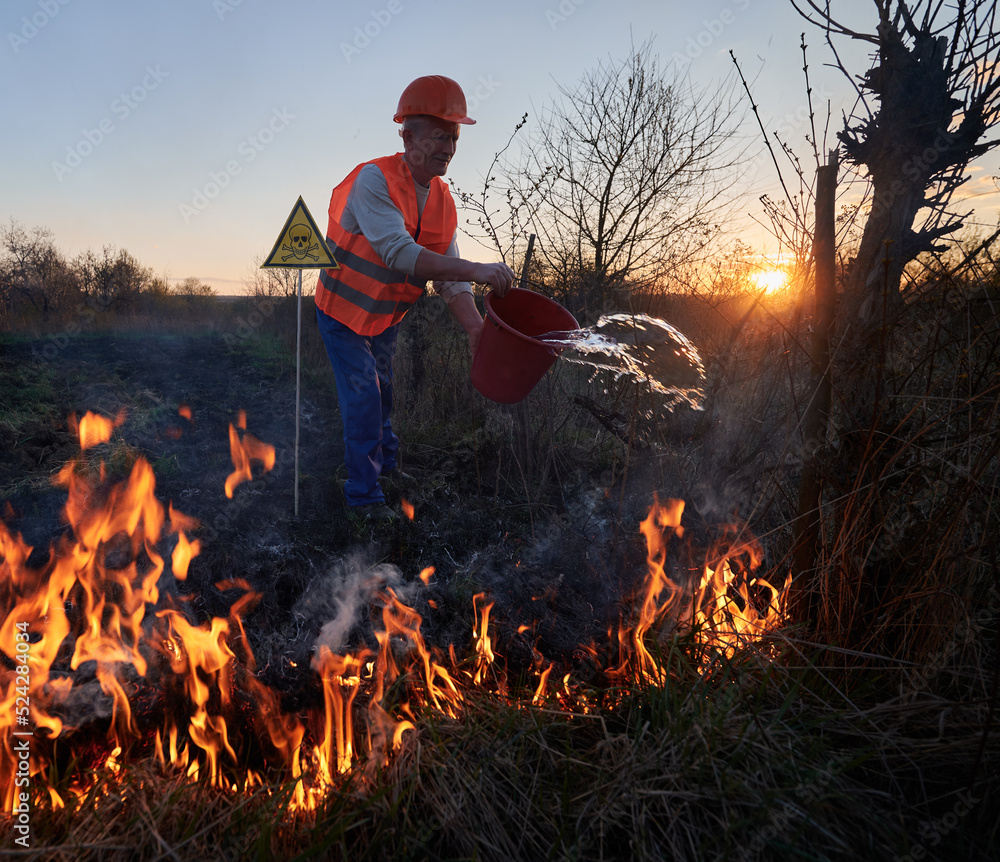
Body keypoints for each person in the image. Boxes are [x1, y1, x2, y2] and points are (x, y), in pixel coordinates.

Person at [315, 74, 515, 521]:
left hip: (385, 319)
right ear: (408, 135)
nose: (449, 147)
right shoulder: (374, 180)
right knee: (365, 395)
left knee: (384, 392)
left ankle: (386, 467)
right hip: (343, 312)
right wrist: (480, 270)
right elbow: (400, 253)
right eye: (441, 135)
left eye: (455, 137)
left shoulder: (443, 200)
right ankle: (364, 501)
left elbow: (450, 280)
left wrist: (475, 328)